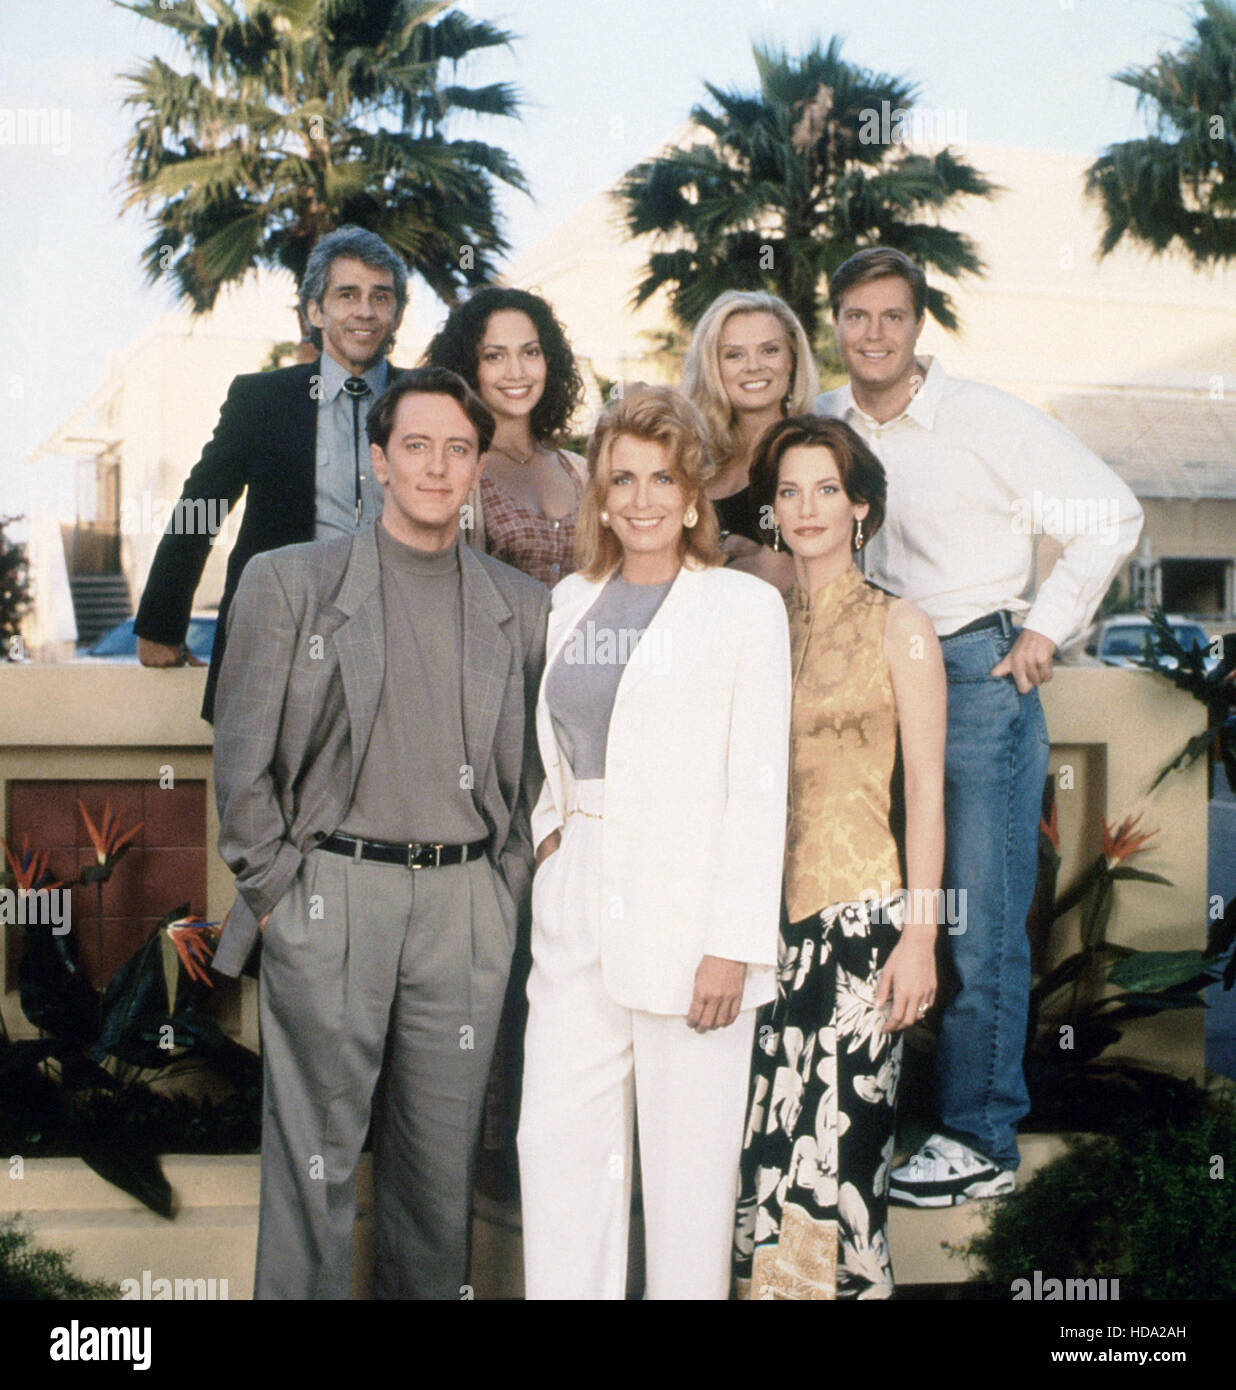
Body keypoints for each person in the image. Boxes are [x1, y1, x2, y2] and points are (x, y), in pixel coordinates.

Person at [209, 366, 549, 1299]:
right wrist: (279, 894)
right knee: (312, 1171)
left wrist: (502, 890)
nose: (437, 467)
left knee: (437, 1184)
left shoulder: (520, 607)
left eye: (457, 449)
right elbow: (242, 767)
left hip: (465, 910)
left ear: (479, 465)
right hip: (333, 898)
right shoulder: (289, 585)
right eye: (416, 447)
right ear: (378, 460)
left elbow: (531, 778)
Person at [816, 248, 1143, 1206]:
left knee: (977, 913)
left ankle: (980, 1137)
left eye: (892, 316)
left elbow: (1109, 513)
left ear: (919, 326)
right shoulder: (825, 421)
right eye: (855, 315)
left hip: (970, 671)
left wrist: (1047, 627)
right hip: (856, 673)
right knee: (862, 904)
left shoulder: (986, 418)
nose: (873, 333)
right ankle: (854, 1121)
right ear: (834, 322)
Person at [517, 385, 791, 1300]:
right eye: (622, 478)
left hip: (693, 926)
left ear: (693, 494)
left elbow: (760, 789)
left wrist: (733, 943)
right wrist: (552, 839)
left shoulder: (742, 608)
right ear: (598, 490)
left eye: (661, 478)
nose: (640, 498)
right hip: (576, 915)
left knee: (688, 1186)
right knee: (554, 1152)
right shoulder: (568, 599)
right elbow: (547, 750)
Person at [733, 415, 946, 1300]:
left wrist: (922, 938)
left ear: (860, 506)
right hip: (758, 934)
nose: (807, 507)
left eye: (827, 489)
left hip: (862, 930)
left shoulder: (903, 624)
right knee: (767, 1171)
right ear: (772, 511)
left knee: (843, 1171)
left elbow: (930, 791)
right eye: (789, 491)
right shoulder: (754, 623)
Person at [133, 225, 408, 721]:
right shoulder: (262, 400)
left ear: (396, 314)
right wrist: (161, 623)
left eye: (380, 297)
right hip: (281, 646)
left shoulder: (427, 399)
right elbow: (203, 507)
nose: (364, 310)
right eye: (347, 295)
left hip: (401, 647)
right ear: (314, 310)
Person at [423, 286, 587, 586]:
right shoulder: (455, 472)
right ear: (469, 367)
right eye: (495, 356)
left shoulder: (579, 470)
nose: (516, 372)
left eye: (530, 352)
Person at [681, 289, 818, 589]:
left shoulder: (810, 452)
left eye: (770, 350)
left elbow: (779, 579)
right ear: (712, 366)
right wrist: (744, 556)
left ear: (792, 360)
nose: (754, 366)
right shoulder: (695, 456)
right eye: (734, 354)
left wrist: (720, 559)